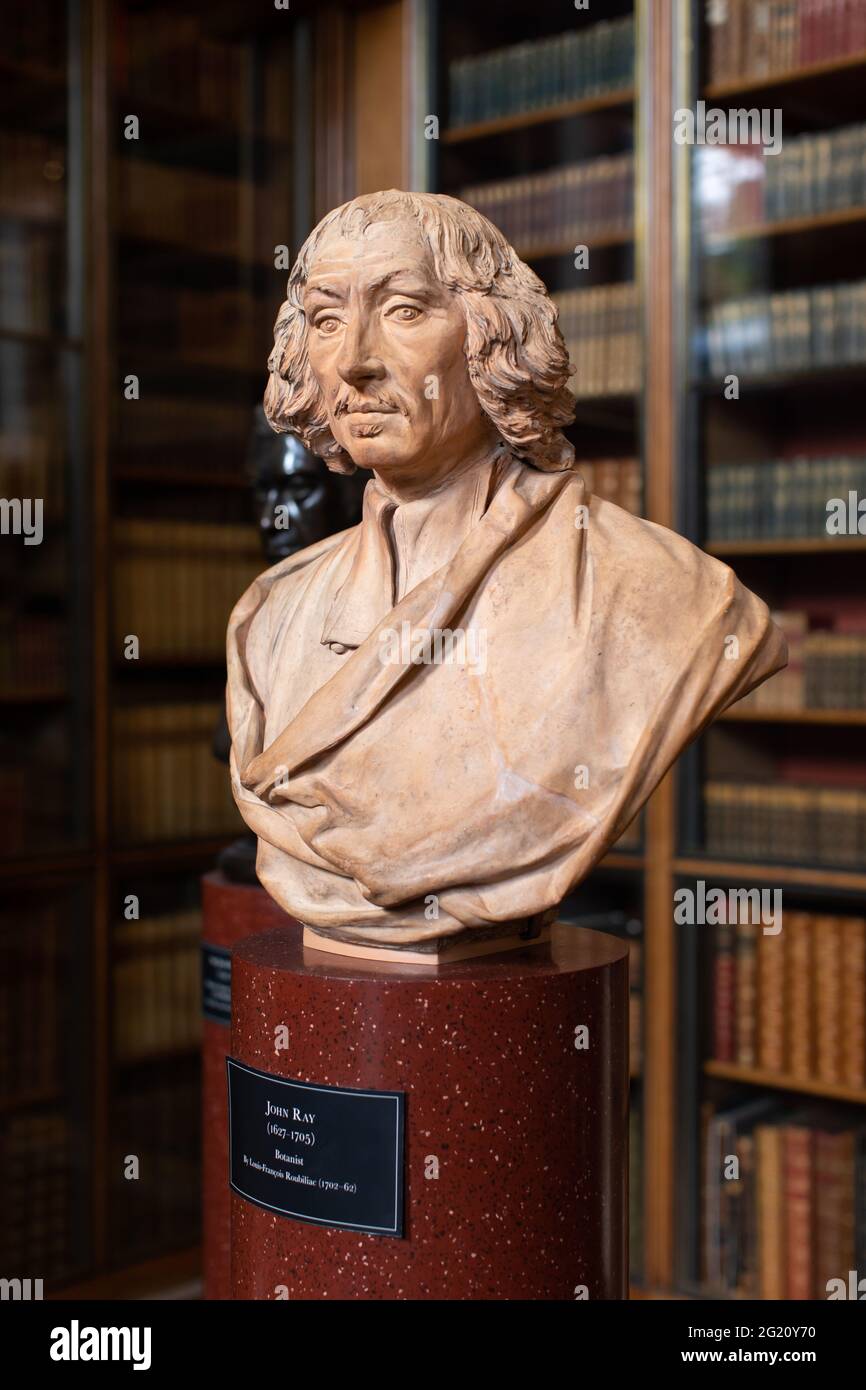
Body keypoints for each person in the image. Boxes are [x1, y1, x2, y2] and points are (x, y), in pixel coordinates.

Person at [225, 190, 786, 950]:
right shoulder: (269, 614)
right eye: (326, 321)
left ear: (492, 336)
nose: (354, 361)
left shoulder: (657, 592)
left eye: (403, 311)